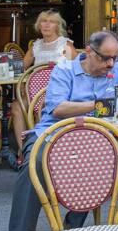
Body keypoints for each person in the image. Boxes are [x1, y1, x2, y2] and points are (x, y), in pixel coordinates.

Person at [0, 30, 118, 231]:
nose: (111, 63)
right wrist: (98, 106)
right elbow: (57, 108)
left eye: (115, 57)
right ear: (88, 51)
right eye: (105, 58)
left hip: (99, 137)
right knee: (34, 161)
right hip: (55, 131)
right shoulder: (64, 71)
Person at [11, 10, 77, 149]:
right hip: (35, 93)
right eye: (43, 21)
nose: (46, 25)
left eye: (51, 22)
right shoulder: (36, 46)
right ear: (39, 25)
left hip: (59, 94)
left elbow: (75, 70)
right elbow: (22, 67)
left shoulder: (65, 44)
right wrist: (23, 84)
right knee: (17, 106)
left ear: (57, 26)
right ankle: (24, 150)